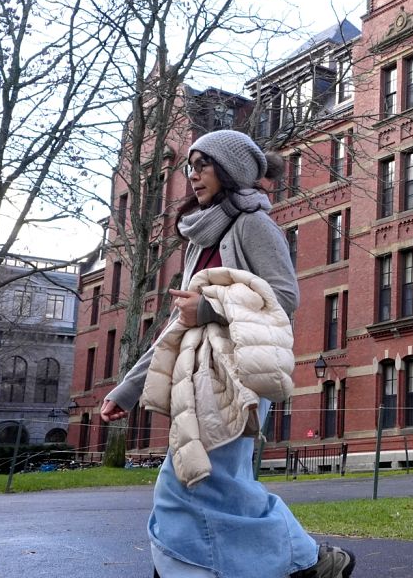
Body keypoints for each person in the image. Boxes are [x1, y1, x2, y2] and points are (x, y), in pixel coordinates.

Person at [101, 130, 355, 578]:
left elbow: (285, 295)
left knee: (188, 478)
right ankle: (310, 561)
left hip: (240, 373)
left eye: (202, 164)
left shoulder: (253, 224)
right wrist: (127, 389)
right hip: (199, 375)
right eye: (189, 166)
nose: (192, 175)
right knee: (220, 482)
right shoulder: (201, 236)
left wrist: (212, 309)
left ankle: (184, 570)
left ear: (230, 169)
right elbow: (179, 322)